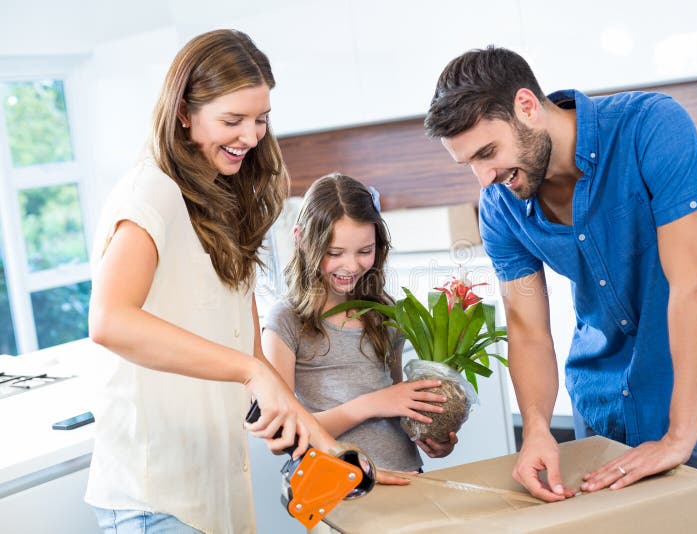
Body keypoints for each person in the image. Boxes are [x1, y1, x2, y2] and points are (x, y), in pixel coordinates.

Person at [424, 46, 697, 500]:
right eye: (470, 164)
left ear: (527, 107)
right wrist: (536, 428)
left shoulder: (651, 128)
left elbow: (694, 286)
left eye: (488, 152)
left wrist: (676, 438)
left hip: (691, 396)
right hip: (599, 402)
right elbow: (527, 326)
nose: (484, 178)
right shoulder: (500, 207)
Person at [85, 29, 338, 533]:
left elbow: (250, 354)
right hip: (155, 498)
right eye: (232, 120)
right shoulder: (150, 192)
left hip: (214, 496)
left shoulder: (221, 200)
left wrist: (328, 445)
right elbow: (110, 321)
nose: (250, 136)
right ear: (184, 112)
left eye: (261, 119)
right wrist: (250, 371)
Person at [262, 173, 459, 486]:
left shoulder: (384, 312)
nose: (351, 266)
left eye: (364, 251)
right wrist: (372, 404)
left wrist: (430, 435)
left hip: (407, 477)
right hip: (337, 486)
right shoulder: (287, 320)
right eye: (335, 253)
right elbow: (283, 434)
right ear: (301, 239)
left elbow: (396, 401)